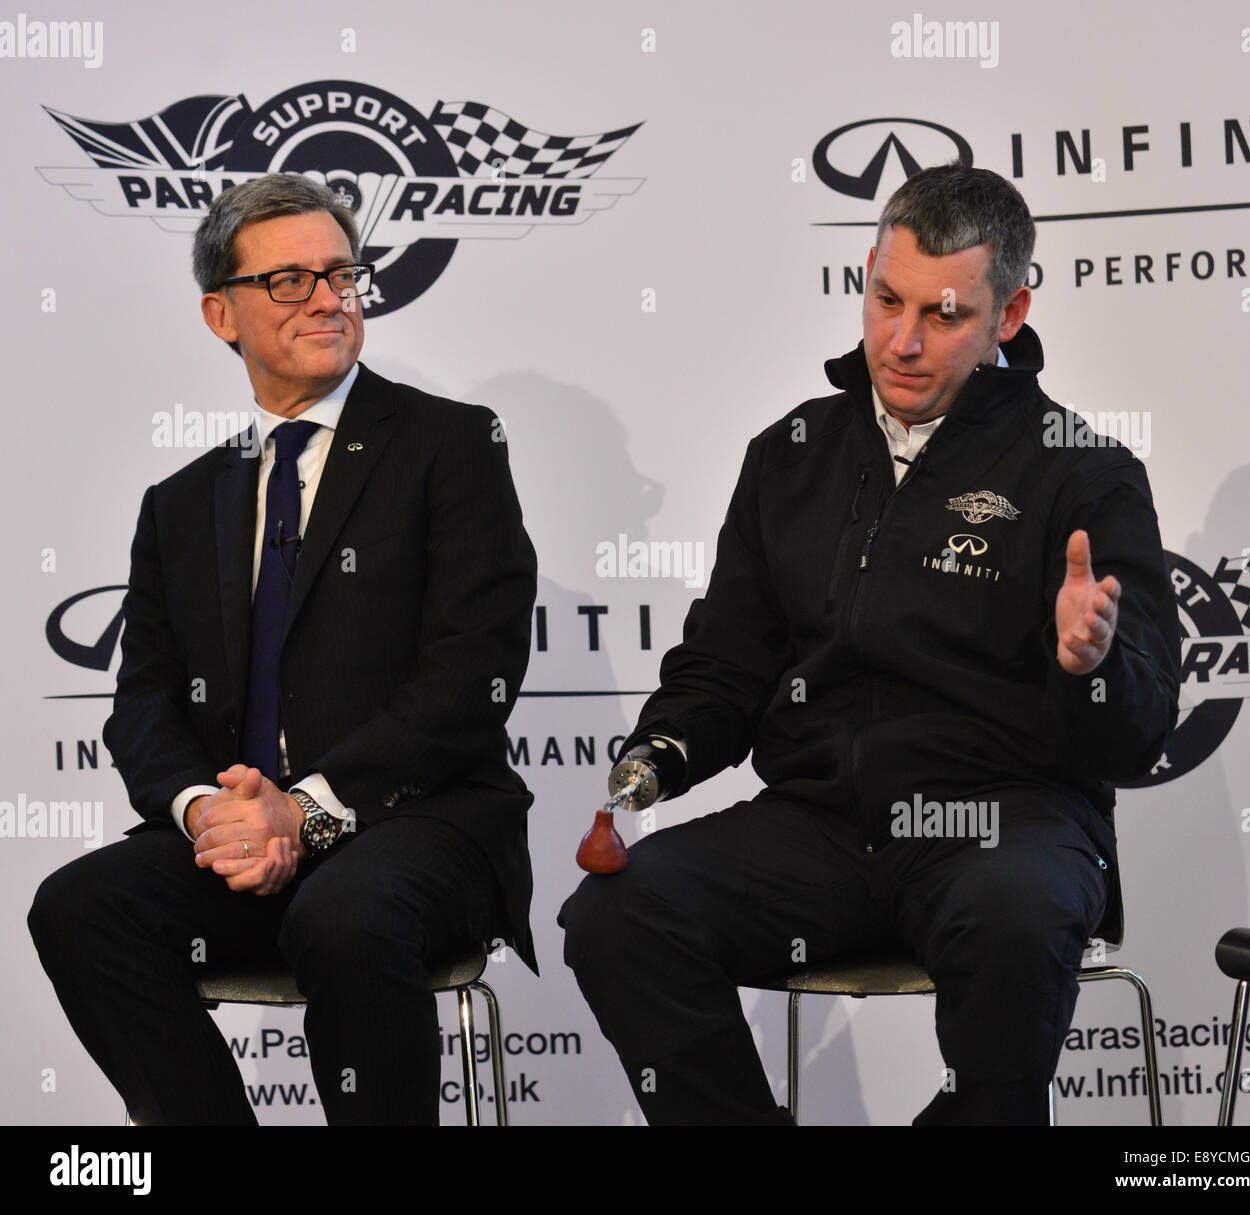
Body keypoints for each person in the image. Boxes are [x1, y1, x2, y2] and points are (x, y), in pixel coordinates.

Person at [560, 163, 1180, 1125]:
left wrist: (1090, 667)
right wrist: (662, 750)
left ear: (1009, 312)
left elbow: (1137, 731)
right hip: (820, 825)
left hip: (999, 822)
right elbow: (728, 661)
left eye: (943, 315)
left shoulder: (1084, 471)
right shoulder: (791, 453)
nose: (901, 340)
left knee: (1016, 920)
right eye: (885, 298)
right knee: (619, 915)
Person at [28, 173, 537, 1125]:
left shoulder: (451, 445)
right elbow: (141, 708)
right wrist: (206, 814)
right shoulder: (180, 503)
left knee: (341, 914)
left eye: (340, 275)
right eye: (290, 281)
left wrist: (306, 811)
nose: (327, 299)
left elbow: (473, 674)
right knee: (79, 906)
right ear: (221, 313)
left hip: (417, 831)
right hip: (249, 851)